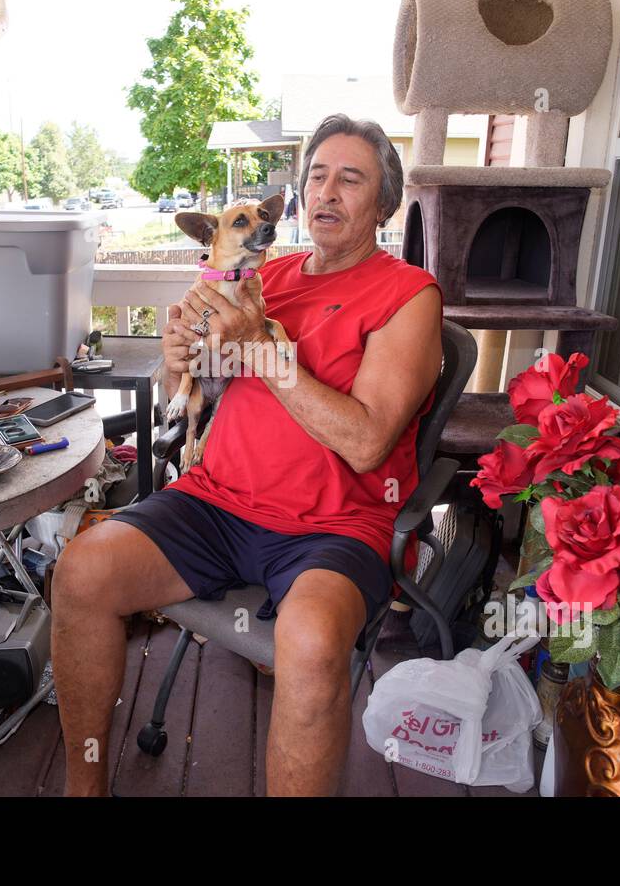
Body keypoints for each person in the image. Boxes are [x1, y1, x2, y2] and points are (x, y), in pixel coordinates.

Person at [51, 114, 442, 796]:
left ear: (383, 203)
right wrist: (177, 362)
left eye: (350, 180)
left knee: (315, 642)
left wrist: (261, 342)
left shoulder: (407, 296)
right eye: (316, 176)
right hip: (215, 500)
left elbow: (366, 439)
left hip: (332, 525)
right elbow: (190, 385)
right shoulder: (270, 273)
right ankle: (83, 791)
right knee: (81, 571)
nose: (326, 192)